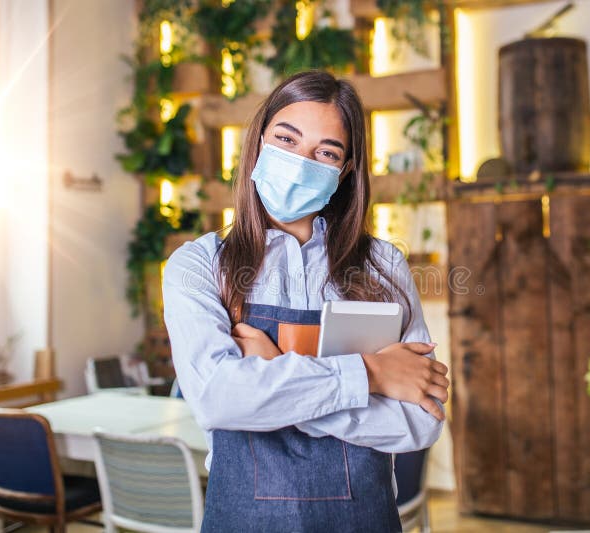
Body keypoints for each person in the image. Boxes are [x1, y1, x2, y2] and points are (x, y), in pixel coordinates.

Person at [163, 70, 450, 533]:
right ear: (257, 143)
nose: (301, 161)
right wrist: (371, 374)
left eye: (326, 152)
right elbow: (219, 400)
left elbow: (420, 421)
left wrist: (272, 377)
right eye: (286, 139)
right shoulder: (198, 266)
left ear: (346, 170)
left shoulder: (383, 265)